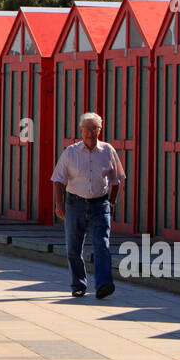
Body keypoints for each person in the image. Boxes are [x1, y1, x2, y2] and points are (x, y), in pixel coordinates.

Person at [51, 112, 125, 299]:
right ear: (81, 131)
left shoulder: (108, 151)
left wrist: (112, 202)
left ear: (100, 130)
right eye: (87, 129)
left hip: (100, 205)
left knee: (102, 245)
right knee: (73, 248)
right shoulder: (70, 153)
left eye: (94, 129)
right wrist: (59, 204)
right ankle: (78, 284)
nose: (91, 133)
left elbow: (117, 179)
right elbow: (58, 180)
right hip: (75, 204)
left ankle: (103, 285)